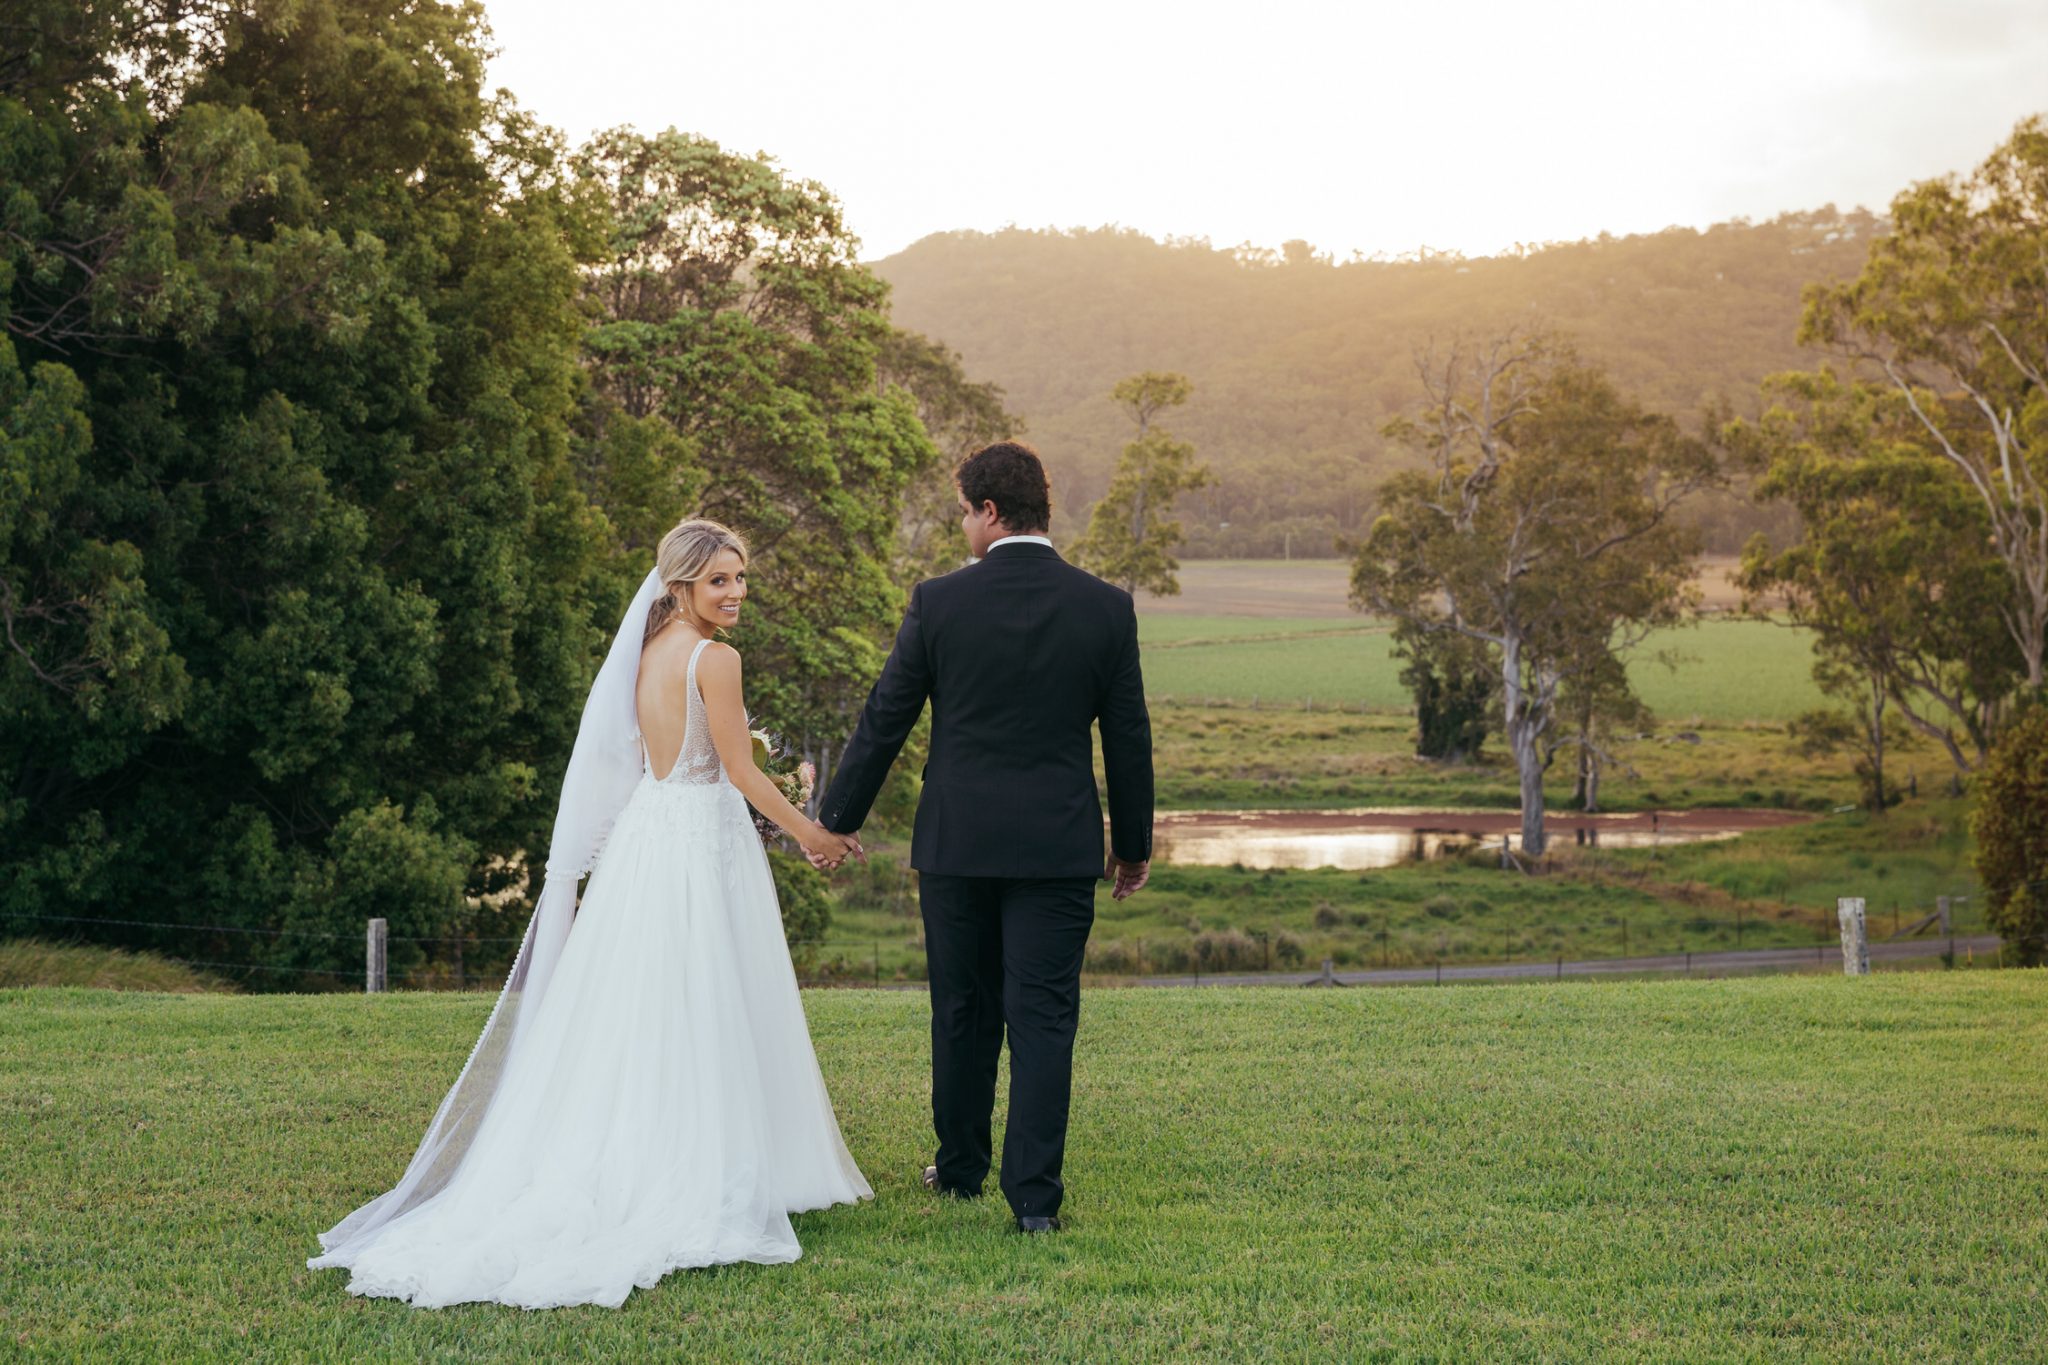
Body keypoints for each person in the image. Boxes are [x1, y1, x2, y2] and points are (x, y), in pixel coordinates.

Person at [308, 518, 869, 1310]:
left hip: (650, 837)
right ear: (681, 586)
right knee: (706, 998)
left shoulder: (644, 652)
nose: (737, 593)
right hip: (700, 838)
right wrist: (812, 831)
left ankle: (648, 1147)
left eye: (741, 578)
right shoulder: (716, 658)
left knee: (641, 1005)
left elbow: (653, 756)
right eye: (719, 581)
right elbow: (738, 768)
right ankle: (701, 1165)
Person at [815, 441, 1154, 1234]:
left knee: (962, 1009)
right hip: (1058, 848)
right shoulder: (1105, 606)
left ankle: (961, 1166)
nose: (963, 524)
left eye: (964, 510)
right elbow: (1129, 738)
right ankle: (1034, 1200)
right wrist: (1132, 845)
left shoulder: (939, 602)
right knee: (1043, 1016)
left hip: (957, 845)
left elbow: (884, 720)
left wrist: (835, 821)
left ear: (990, 512)